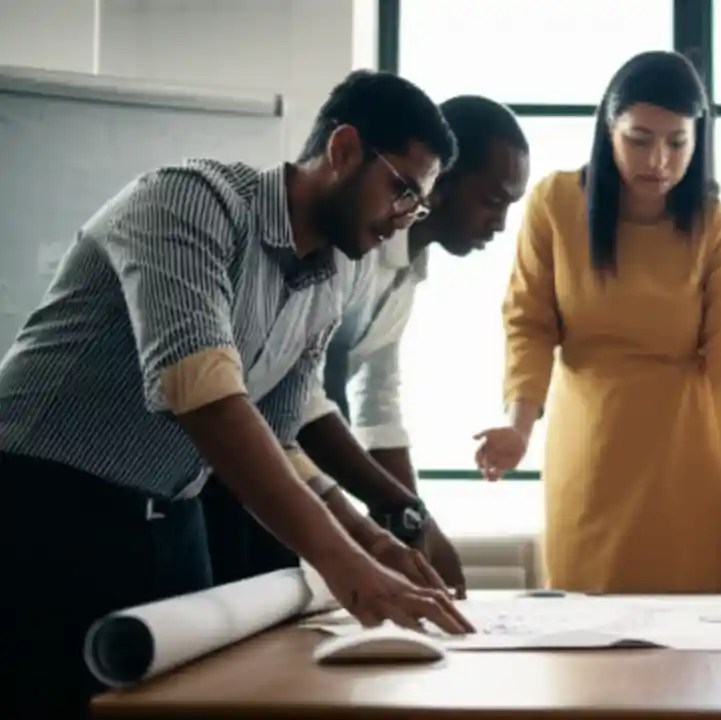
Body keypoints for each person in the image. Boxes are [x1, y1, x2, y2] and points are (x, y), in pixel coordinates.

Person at [0, 69, 472, 716]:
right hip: (42, 502)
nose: (403, 218)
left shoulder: (333, 276)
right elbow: (208, 400)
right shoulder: (190, 202)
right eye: (402, 190)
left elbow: (278, 440)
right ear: (343, 150)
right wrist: (346, 564)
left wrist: (374, 540)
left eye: (417, 204)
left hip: (170, 517)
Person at [202, 95, 531, 598]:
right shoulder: (352, 243)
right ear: (440, 182)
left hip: (295, 474)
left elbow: (377, 401)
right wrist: (402, 512)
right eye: (493, 200)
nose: (501, 223)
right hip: (245, 473)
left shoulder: (409, 269)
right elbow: (302, 400)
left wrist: (415, 524)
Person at [473, 50, 721, 594]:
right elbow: (529, 323)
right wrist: (518, 426)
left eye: (677, 142)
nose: (659, 161)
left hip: (690, 453)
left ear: (697, 140)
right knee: (589, 616)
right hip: (591, 447)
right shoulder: (556, 203)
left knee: (695, 622)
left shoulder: (718, 226)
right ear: (609, 130)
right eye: (639, 139)